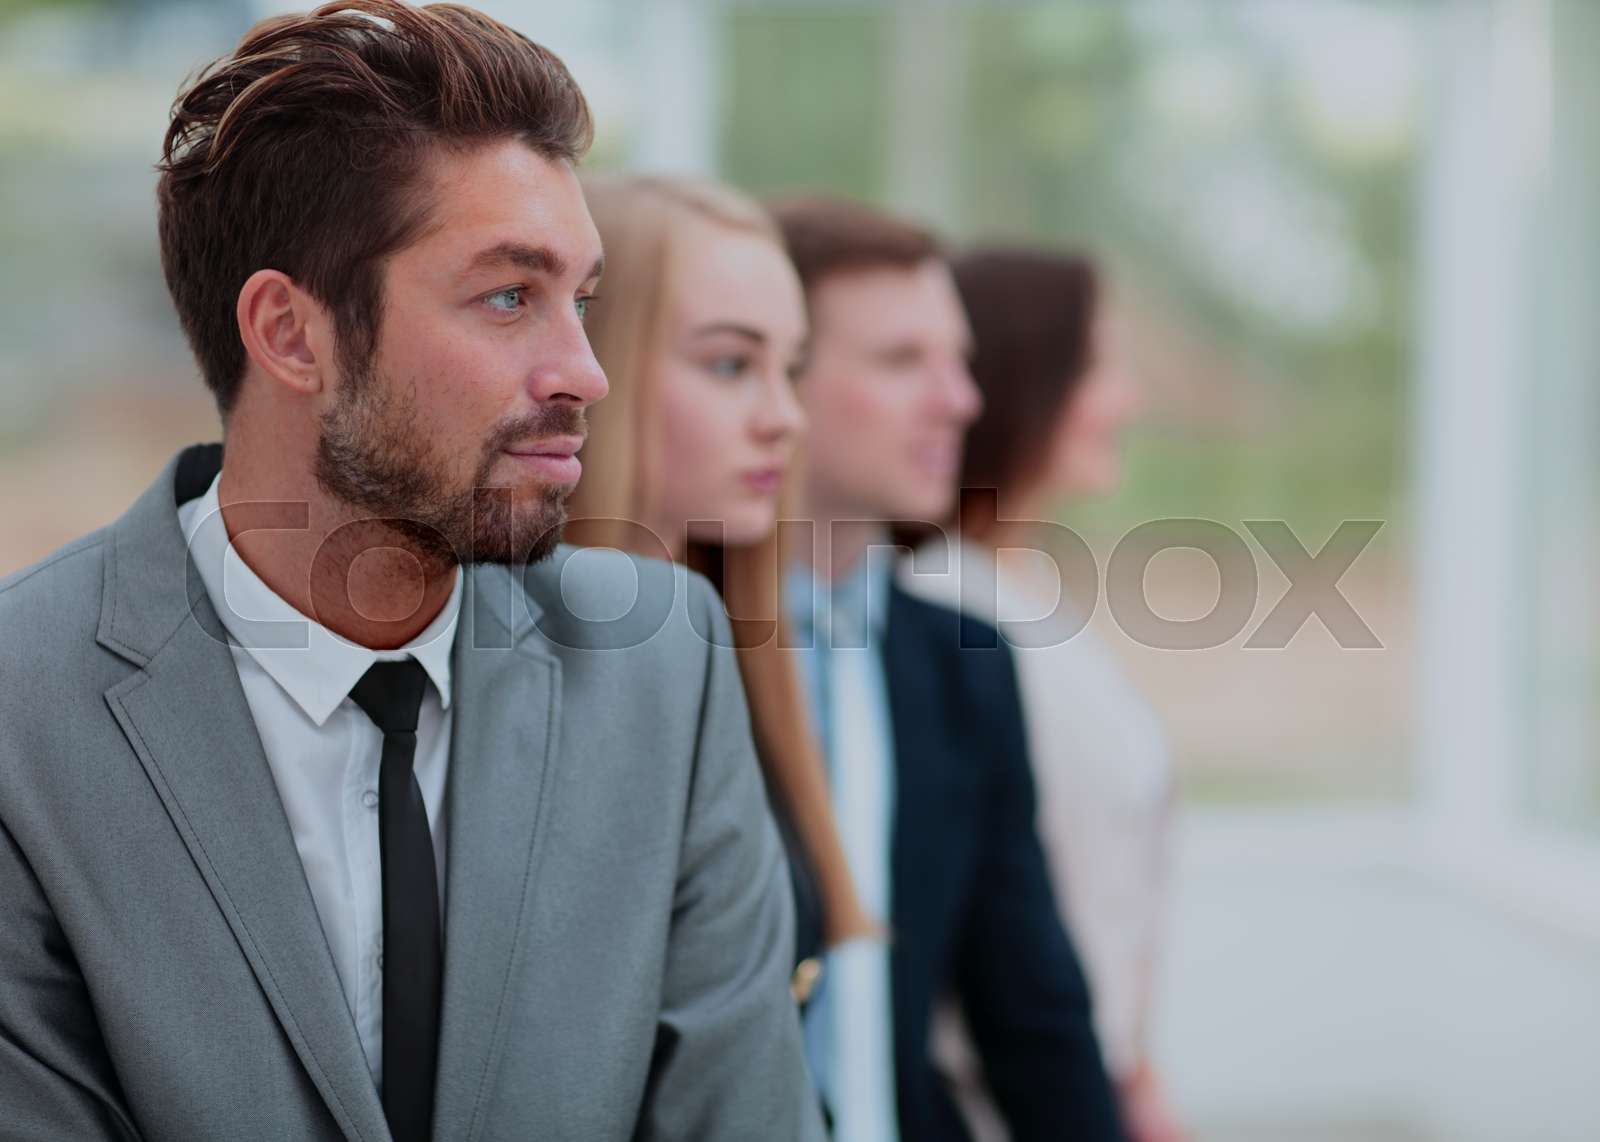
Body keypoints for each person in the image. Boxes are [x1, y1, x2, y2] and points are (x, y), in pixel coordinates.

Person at [0, 4, 823, 1140]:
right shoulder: (20, 717)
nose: (583, 368)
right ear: (291, 334)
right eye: (507, 295)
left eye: (579, 299)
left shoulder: (661, 667)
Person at [769, 195, 1126, 1142]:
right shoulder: (670, 654)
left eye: (960, 361)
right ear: (776, 378)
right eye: (902, 362)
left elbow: (1034, 1008)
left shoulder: (966, 663)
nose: (960, 401)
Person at [566, 172, 877, 985]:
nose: (786, 417)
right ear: (601, 368)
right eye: (733, 364)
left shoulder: (738, 659)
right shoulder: (516, 695)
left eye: (793, 368)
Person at [904, 249, 1185, 1142]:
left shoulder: (1019, 593)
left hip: (1078, 1083)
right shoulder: (941, 611)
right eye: (1099, 365)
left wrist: (1133, 1078)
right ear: (1028, 375)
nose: (1125, 401)